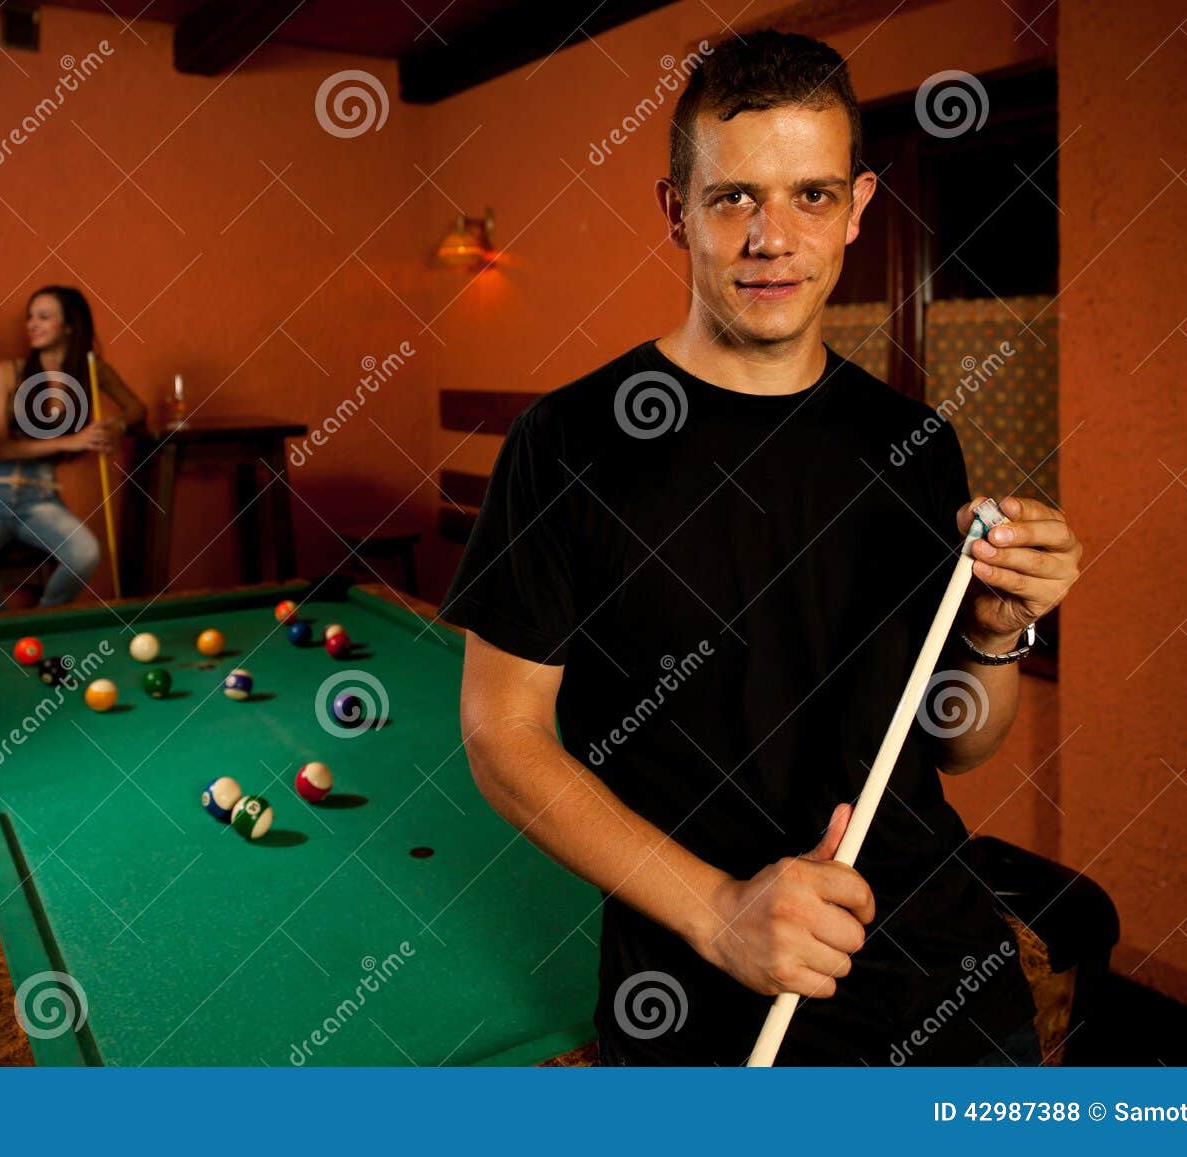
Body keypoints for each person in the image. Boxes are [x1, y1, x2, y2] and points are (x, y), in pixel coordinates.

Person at [442, 30, 1082, 1067]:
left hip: (947, 973)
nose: (771, 238)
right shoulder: (567, 441)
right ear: (676, 212)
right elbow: (501, 736)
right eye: (734, 197)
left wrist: (998, 631)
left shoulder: (914, 440)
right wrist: (719, 911)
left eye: (812, 196)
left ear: (860, 207)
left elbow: (955, 740)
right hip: (701, 997)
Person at [0, 286, 146, 612]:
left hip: (40, 496)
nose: (32, 325)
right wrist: (73, 440)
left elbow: (136, 410)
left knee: (85, 553)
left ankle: (40, 623)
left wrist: (112, 427)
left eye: (44, 317)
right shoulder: (7, 371)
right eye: (30, 318)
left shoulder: (90, 370)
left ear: (69, 325)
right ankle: (7, 634)